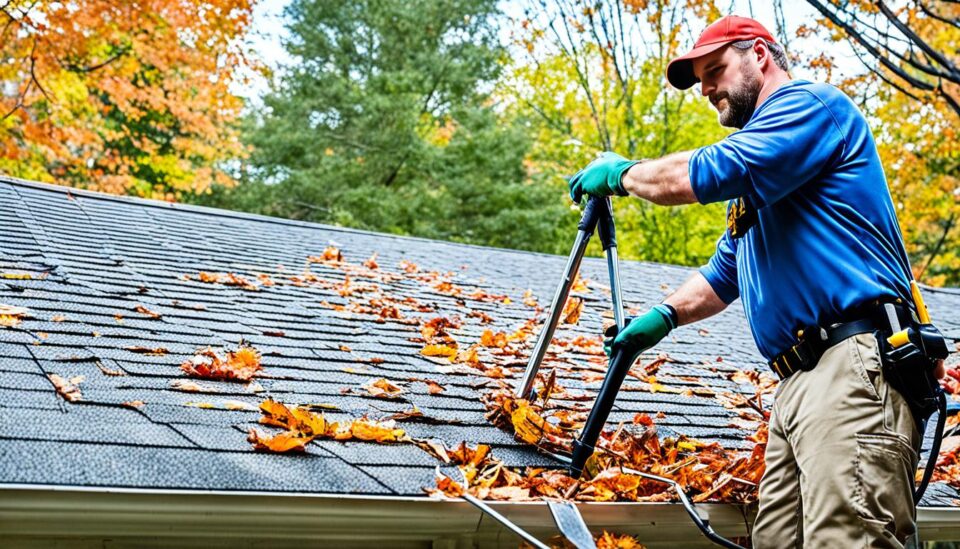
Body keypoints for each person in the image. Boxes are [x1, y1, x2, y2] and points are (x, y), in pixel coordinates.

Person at [567, 14, 945, 548]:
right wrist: (662, 318)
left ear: (760, 56)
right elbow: (726, 272)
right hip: (796, 382)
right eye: (700, 81)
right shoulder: (768, 179)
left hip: (850, 364)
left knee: (848, 538)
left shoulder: (810, 107)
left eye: (715, 70)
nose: (706, 89)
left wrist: (624, 173)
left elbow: (706, 173)